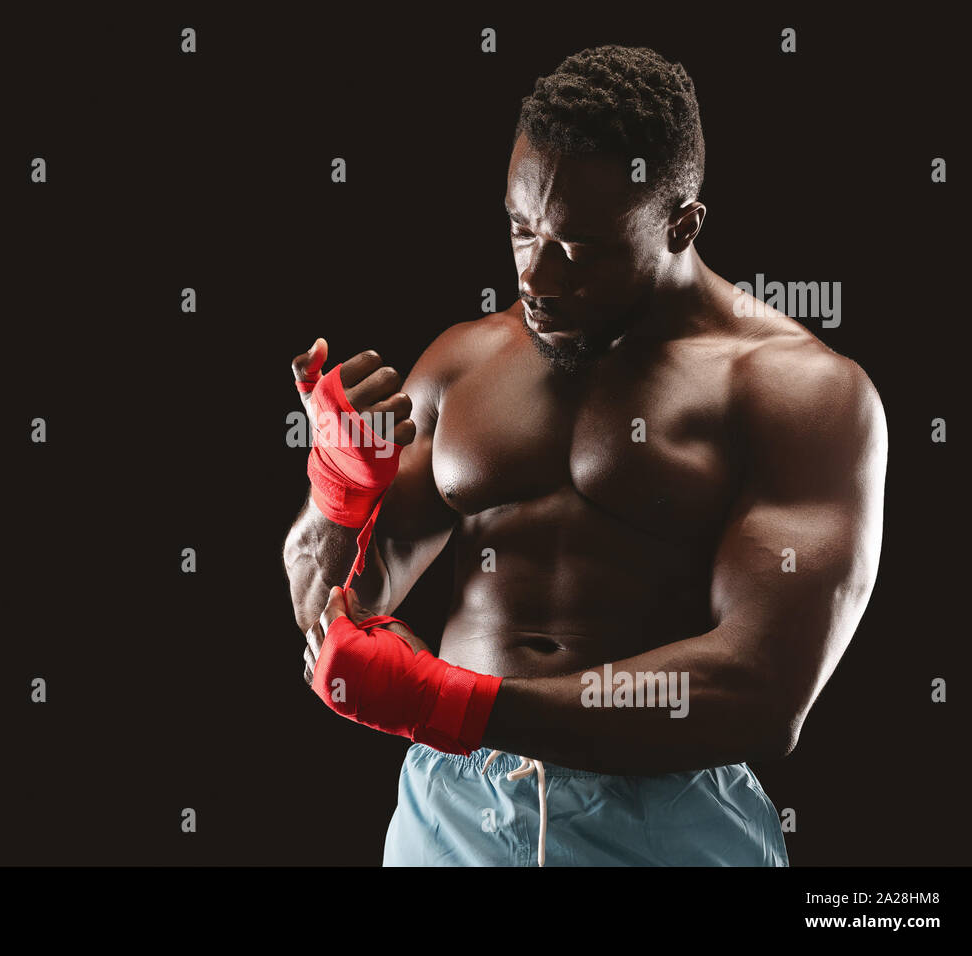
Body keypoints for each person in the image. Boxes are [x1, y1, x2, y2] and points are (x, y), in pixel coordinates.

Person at [283, 44, 886, 866]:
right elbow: (334, 610)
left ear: (682, 224)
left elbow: (762, 690)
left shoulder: (797, 393)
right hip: (450, 816)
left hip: (661, 822)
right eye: (521, 230)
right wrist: (337, 490)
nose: (537, 276)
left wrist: (454, 703)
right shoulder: (465, 361)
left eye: (582, 247)